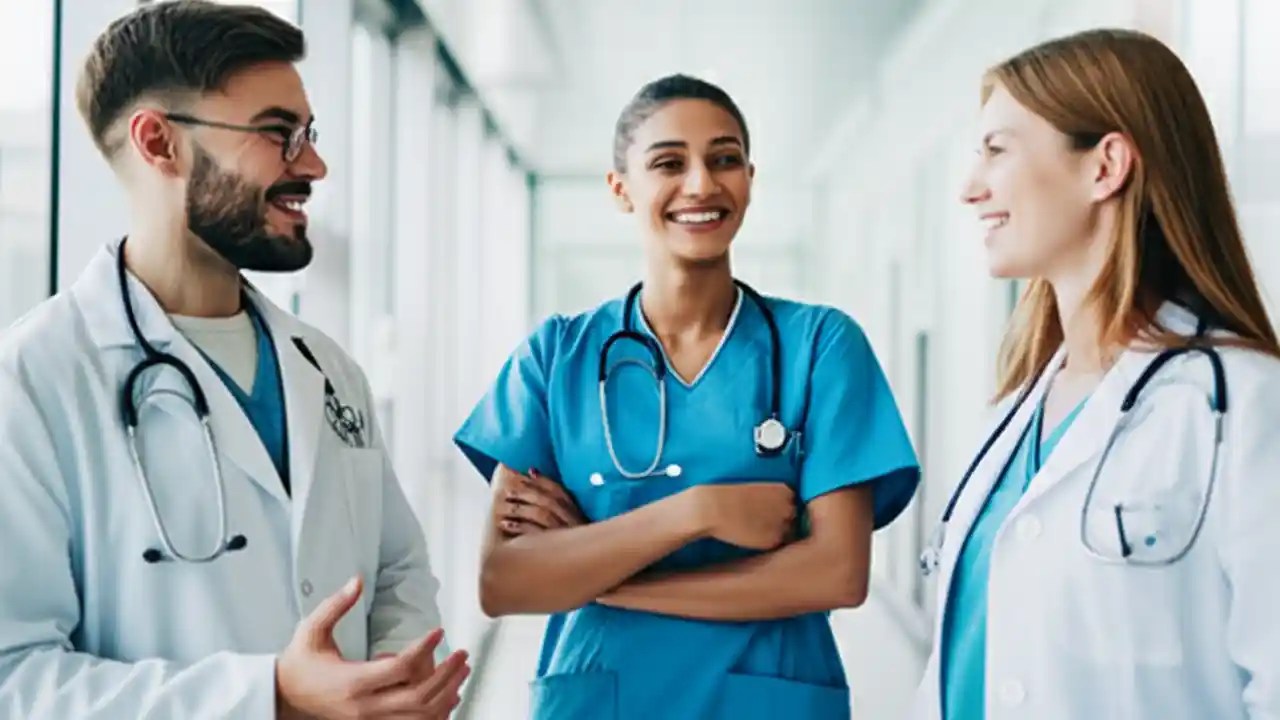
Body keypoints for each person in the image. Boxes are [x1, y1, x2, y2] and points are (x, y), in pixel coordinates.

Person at [0, 3, 468, 717]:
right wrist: (268, 695)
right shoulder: (35, 379)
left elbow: (396, 566)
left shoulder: (326, 367)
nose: (313, 165)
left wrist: (394, 676)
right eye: (279, 134)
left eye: (309, 134)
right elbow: (14, 676)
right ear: (159, 142)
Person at [453, 74, 921, 720]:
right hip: (601, 699)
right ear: (621, 189)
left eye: (724, 159)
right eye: (669, 163)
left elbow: (837, 573)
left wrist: (603, 577)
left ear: (749, 179)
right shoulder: (556, 358)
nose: (701, 184)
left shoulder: (820, 346)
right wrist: (697, 511)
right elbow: (505, 581)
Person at [909, 28, 1280, 720]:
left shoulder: (1241, 402)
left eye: (996, 150)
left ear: (1105, 166)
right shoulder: (1016, 411)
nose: (970, 189)